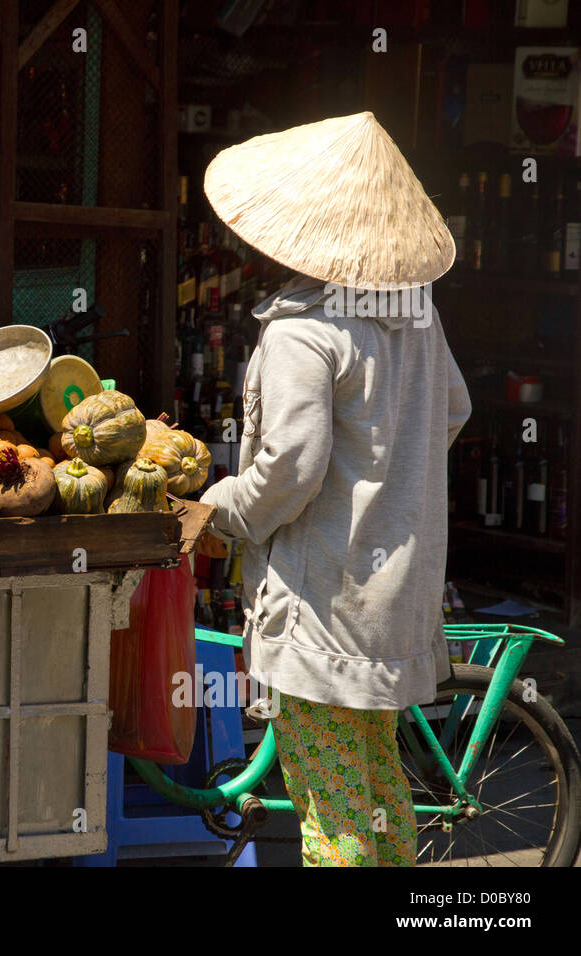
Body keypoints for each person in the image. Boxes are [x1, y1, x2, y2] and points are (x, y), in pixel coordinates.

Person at [198, 111, 471, 866]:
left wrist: (220, 513)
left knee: (332, 808)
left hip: (325, 611)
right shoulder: (414, 313)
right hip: (390, 603)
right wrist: (390, 482)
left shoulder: (300, 333)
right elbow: (453, 409)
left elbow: (290, 469)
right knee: (380, 794)